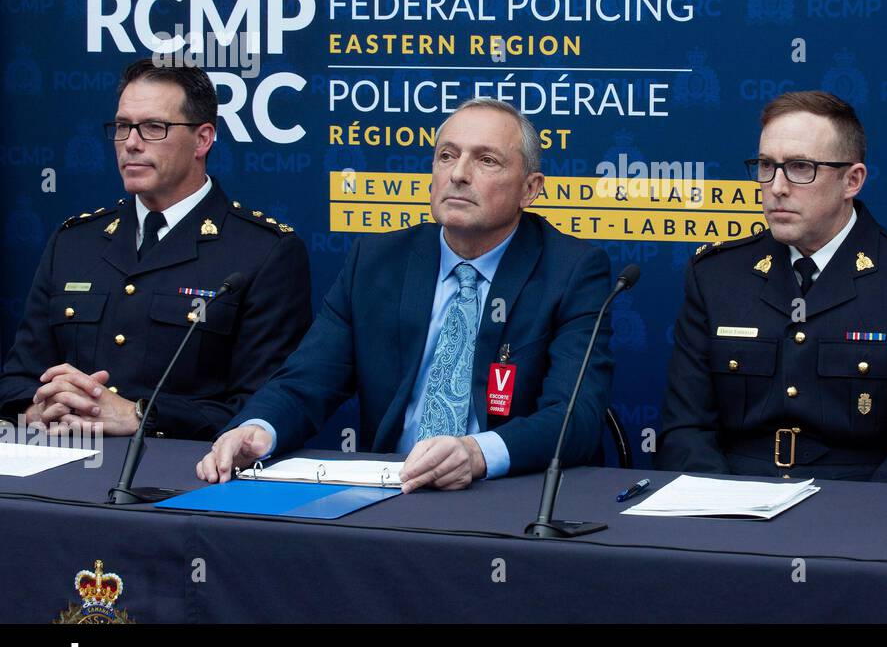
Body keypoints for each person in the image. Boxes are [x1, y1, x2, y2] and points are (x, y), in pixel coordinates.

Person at [196, 98, 614, 491]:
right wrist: (259, 427)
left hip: (503, 496)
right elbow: (307, 379)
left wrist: (477, 453)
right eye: (447, 156)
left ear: (530, 188)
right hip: (390, 494)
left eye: (486, 160)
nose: (459, 174)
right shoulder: (376, 261)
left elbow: (574, 417)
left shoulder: (571, 271)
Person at [657, 91, 887, 482]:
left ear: (852, 180)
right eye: (766, 166)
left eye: (800, 167)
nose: (776, 187)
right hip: (733, 508)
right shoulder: (715, 275)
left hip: (864, 517)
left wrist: (854, 528)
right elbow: (684, 431)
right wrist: (723, 513)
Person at [0, 59, 312, 439]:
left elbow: (266, 409)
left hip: (183, 480)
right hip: (63, 468)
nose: (131, 142)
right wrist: (40, 407)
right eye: (122, 127)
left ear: (203, 139)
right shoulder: (73, 241)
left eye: (153, 127)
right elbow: (17, 378)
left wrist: (141, 415)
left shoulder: (264, 252)